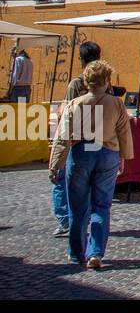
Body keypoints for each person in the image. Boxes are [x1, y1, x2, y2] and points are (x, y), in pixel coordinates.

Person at [49, 60, 134, 270]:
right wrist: (124, 157)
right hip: (107, 154)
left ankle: (77, 253)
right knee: (102, 206)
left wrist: (55, 164)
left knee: (78, 208)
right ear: (106, 80)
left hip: (81, 153)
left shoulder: (76, 104)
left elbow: (62, 137)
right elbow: (124, 133)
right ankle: (95, 252)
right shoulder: (116, 103)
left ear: (87, 81)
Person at [51, 41, 102, 236]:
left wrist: (57, 145)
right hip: (97, 137)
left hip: (77, 139)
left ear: (81, 60)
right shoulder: (105, 83)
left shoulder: (76, 83)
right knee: (89, 181)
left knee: (62, 179)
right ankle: (84, 219)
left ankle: (66, 220)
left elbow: (66, 113)